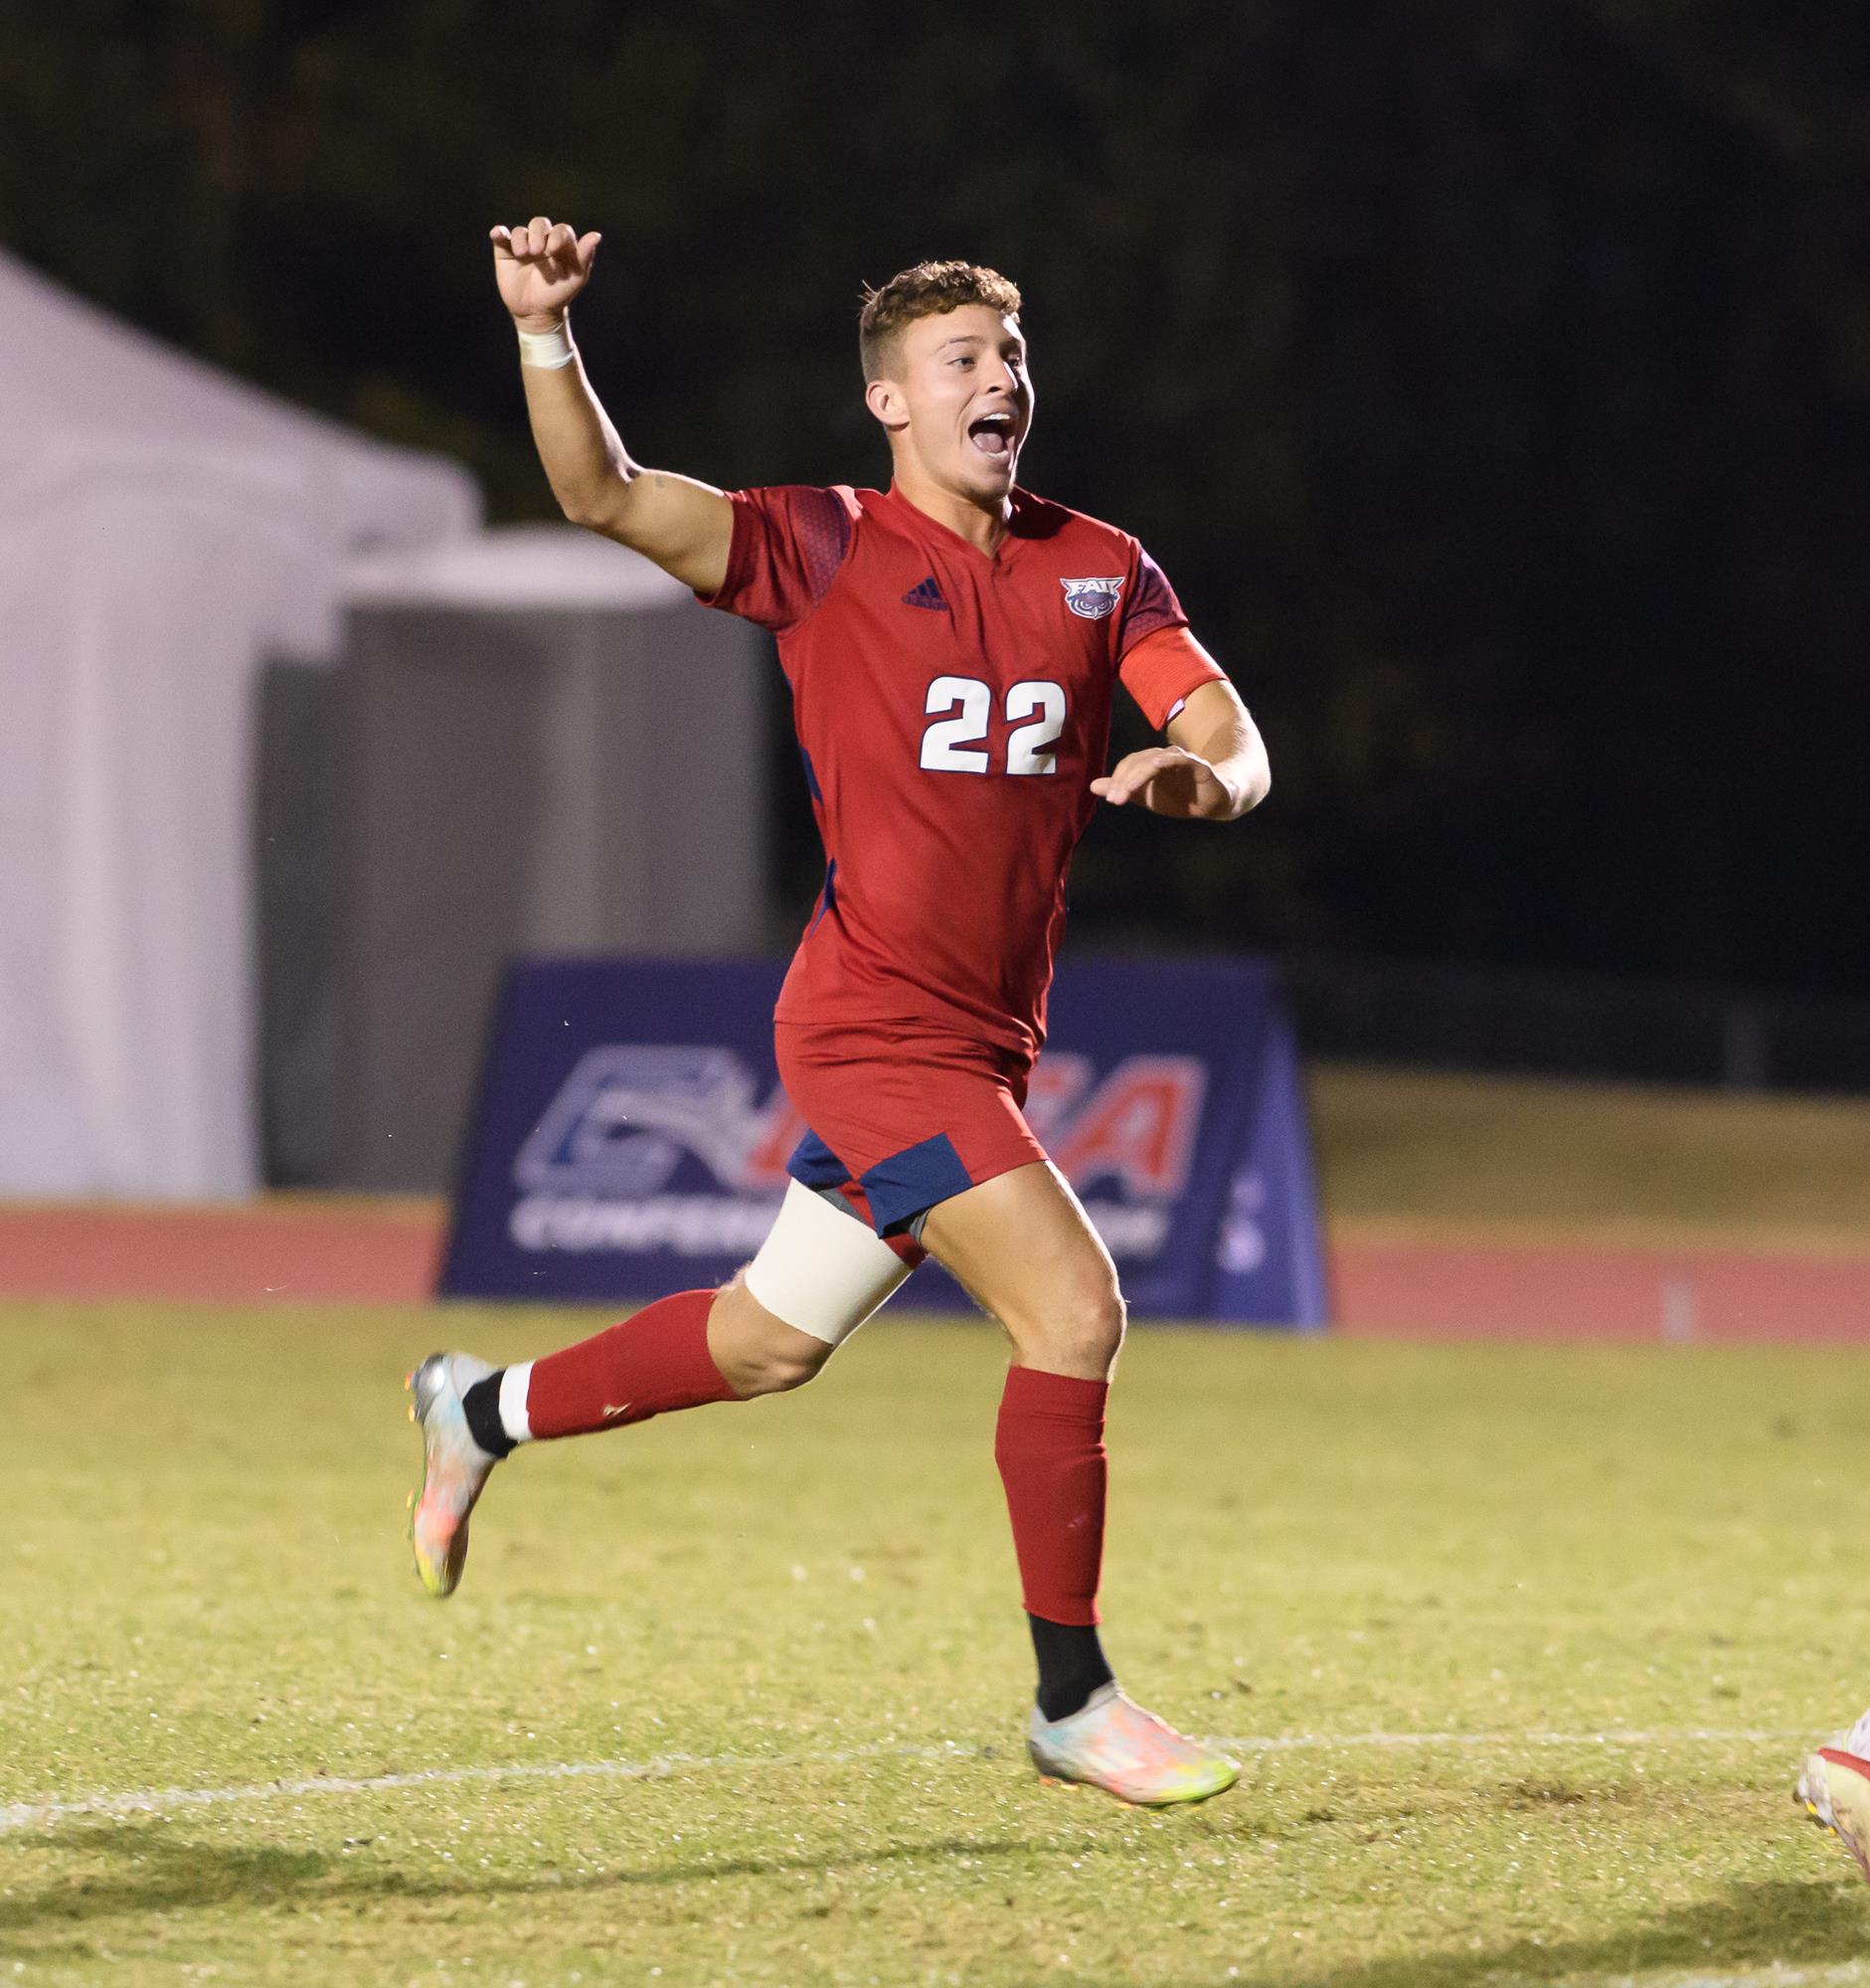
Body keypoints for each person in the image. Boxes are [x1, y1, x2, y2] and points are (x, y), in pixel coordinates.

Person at [407, 218, 1271, 1808]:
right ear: (890, 403)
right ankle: (1070, 1700)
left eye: (1010, 356)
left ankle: (480, 1408)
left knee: (761, 1347)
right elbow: (601, 494)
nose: (998, 379)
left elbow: (1227, 726)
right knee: (1072, 1313)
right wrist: (546, 333)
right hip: (874, 1028)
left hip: (982, 1035)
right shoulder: (823, 545)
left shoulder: (1101, 562)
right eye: (962, 361)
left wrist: (1207, 778)